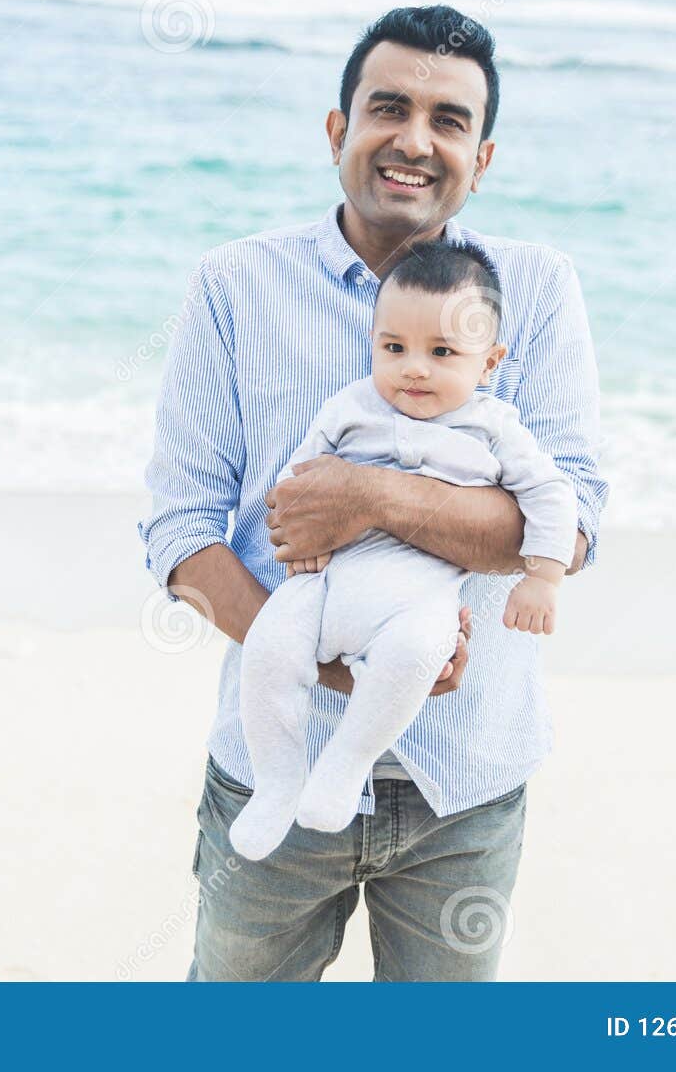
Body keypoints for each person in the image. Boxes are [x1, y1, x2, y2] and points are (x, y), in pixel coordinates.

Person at [137, 4, 608, 981]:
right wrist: (322, 664)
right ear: (336, 129)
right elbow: (180, 532)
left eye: (448, 119)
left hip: (467, 779)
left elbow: (569, 522)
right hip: (274, 761)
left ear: (481, 159)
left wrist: (371, 497)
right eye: (387, 106)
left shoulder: (534, 287)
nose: (413, 138)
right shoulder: (234, 286)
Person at [229, 241, 578, 861]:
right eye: (394, 348)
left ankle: (344, 763)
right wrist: (296, 535)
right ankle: (278, 779)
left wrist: (542, 579)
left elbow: (553, 495)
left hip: (419, 597)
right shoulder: (351, 405)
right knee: (269, 649)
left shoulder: (493, 426)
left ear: (489, 362)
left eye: (442, 353)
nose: (413, 368)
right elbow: (296, 477)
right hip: (326, 582)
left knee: (417, 655)